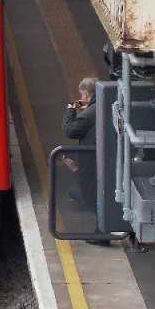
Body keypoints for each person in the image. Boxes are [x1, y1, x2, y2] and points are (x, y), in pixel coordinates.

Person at [62, 76, 99, 214]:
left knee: (74, 191)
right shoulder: (108, 103)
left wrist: (71, 109)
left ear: (85, 95)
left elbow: (69, 129)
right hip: (105, 160)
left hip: (92, 163)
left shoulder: (89, 113)